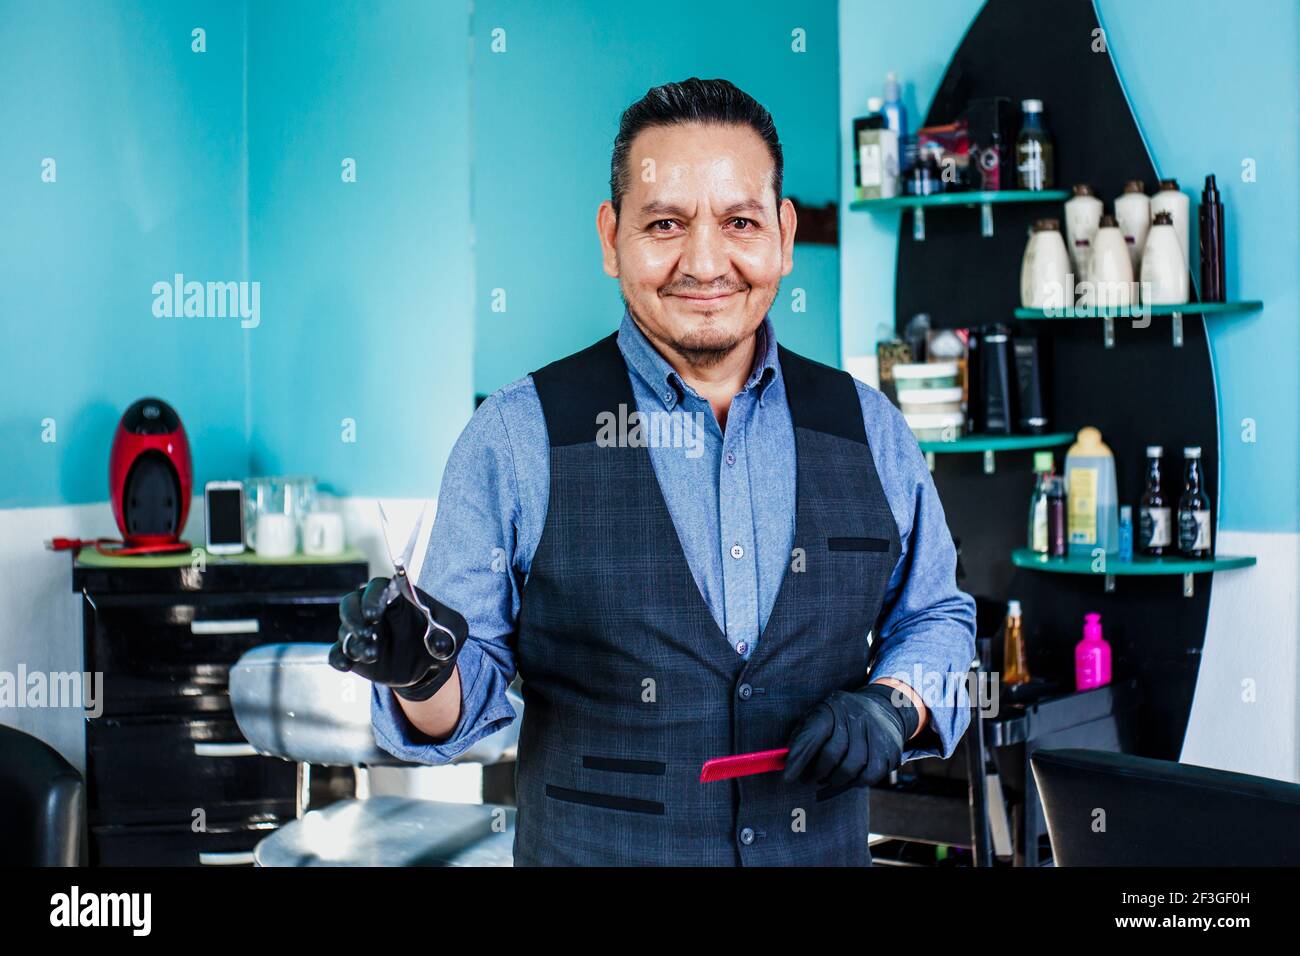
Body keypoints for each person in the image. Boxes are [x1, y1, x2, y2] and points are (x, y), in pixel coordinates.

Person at [332, 77, 976, 866]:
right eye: (665, 223)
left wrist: (894, 705)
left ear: (782, 233)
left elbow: (937, 616)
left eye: (739, 222)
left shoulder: (869, 428)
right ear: (611, 238)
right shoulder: (518, 436)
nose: (704, 262)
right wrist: (416, 668)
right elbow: (463, 696)